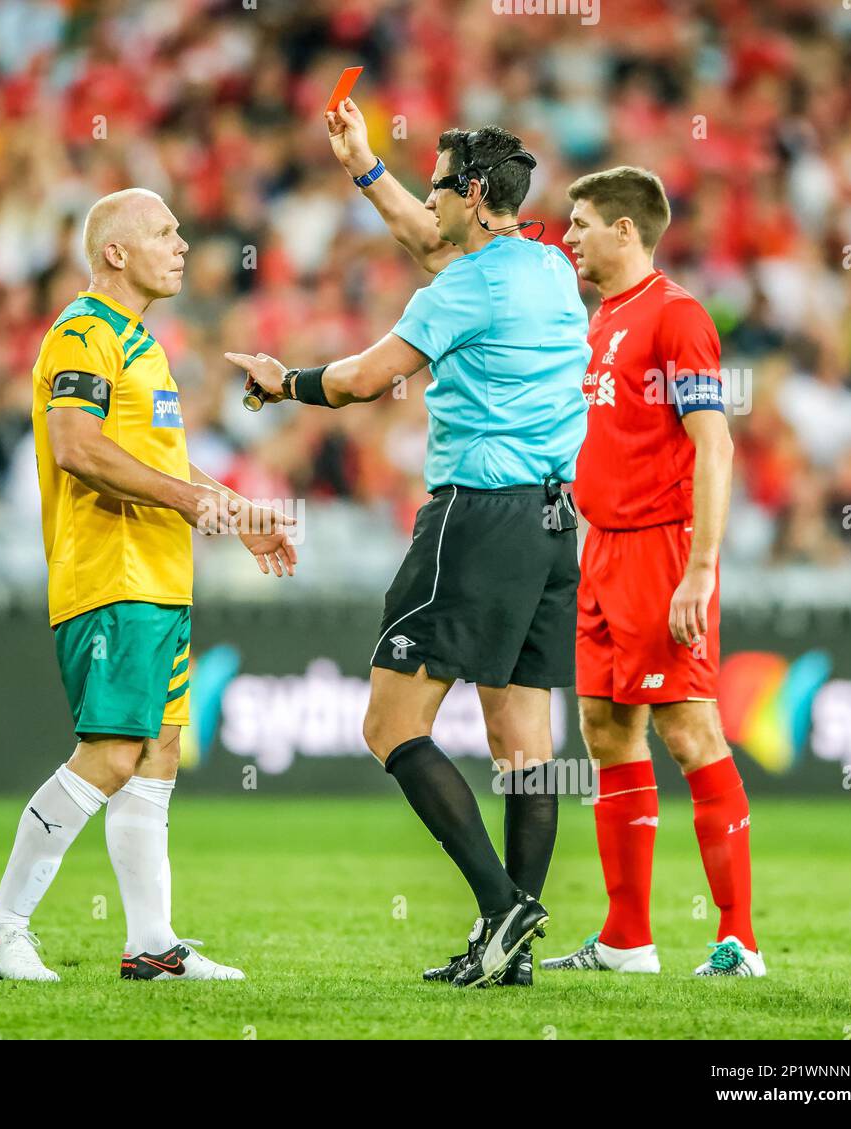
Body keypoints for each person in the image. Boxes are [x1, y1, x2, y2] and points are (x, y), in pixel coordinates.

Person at [227, 106, 589, 988]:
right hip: (554, 523)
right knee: (525, 743)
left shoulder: (461, 287)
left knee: (389, 724)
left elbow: (364, 379)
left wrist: (287, 384)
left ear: (470, 195)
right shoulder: (547, 268)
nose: (426, 197)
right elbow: (437, 244)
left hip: (477, 514)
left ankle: (501, 907)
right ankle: (512, 951)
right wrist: (365, 168)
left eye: (435, 183)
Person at [0, 187, 295, 983]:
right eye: (165, 231)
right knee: (112, 751)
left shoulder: (143, 344)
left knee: (158, 751)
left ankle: (153, 944)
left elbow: (165, 463)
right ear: (116, 251)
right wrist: (191, 501)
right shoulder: (82, 333)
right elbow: (76, 446)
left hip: (160, 574)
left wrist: (242, 511)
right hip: (110, 572)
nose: (183, 243)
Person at [542, 166, 763, 978]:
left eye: (581, 222)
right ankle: (627, 939)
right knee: (604, 728)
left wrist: (700, 568)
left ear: (625, 230)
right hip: (599, 548)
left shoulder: (678, 317)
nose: (569, 236)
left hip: (662, 547)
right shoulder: (602, 320)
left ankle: (737, 940)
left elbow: (715, 443)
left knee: (690, 728)